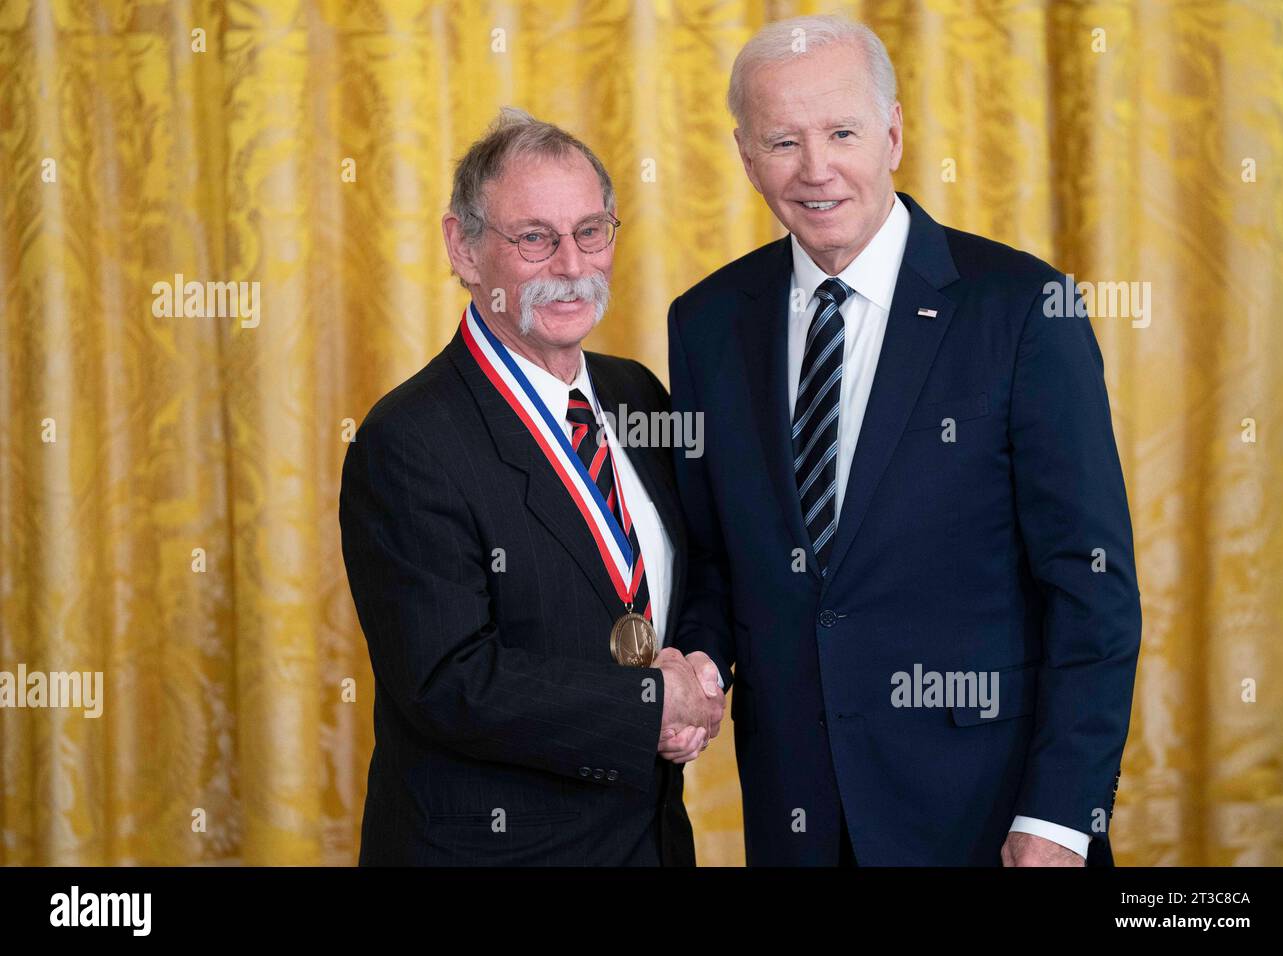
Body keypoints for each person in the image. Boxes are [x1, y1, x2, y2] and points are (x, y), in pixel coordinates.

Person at [667, 15, 1141, 866]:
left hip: (989, 821)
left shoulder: (1023, 308)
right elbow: (713, 560)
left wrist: (1063, 816)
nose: (816, 170)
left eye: (842, 132)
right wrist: (697, 666)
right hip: (799, 817)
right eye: (782, 141)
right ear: (745, 156)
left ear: (892, 132)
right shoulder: (705, 324)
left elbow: (1092, 584)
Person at [340, 108, 723, 865]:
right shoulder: (408, 440)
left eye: (591, 231)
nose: (571, 265)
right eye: (534, 238)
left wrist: (700, 671)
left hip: (648, 841)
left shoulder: (638, 395)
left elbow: (703, 559)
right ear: (465, 248)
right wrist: (651, 706)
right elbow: (450, 680)